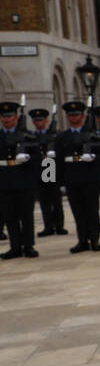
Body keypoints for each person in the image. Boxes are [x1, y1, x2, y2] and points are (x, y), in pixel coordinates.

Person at [54, 101, 100, 253]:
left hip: (89, 177)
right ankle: (82, 240)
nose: (73, 118)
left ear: (82, 116)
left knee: (92, 210)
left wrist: (93, 156)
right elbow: (58, 161)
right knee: (78, 211)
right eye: (70, 115)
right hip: (72, 178)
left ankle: (94, 239)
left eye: (76, 115)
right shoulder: (62, 137)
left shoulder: (93, 134)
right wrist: (59, 181)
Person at [0, 101, 38, 259]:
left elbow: (38, 159)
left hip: (24, 180)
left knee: (26, 215)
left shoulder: (28, 135)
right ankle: (15, 246)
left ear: (16, 117)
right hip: (4, 181)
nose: (6, 119)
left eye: (9, 116)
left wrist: (27, 157)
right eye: (3, 117)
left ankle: (28, 246)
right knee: (9, 216)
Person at [27, 108, 65, 237]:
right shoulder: (31, 137)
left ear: (46, 120)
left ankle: (59, 225)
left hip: (53, 170)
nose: (39, 123)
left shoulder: (55, 135)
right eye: (36, 120)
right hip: (39, 172)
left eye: (41, 120)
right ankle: (48, 226)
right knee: (44, 201)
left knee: (56, 201)